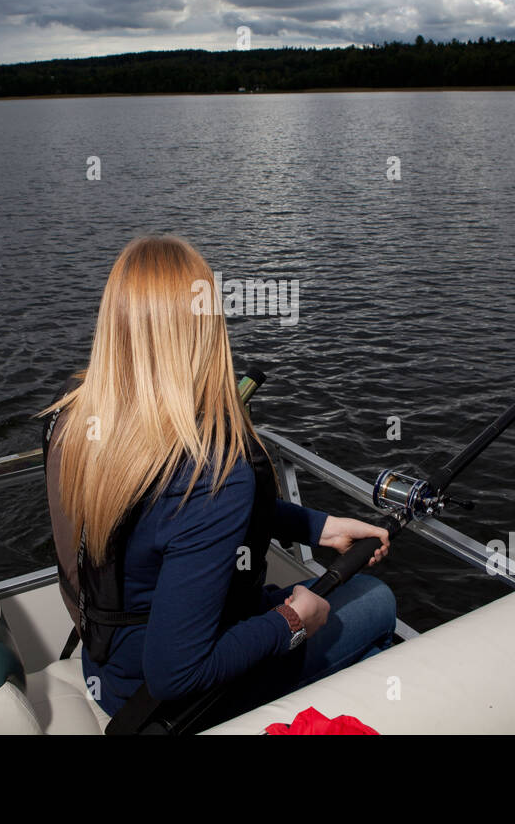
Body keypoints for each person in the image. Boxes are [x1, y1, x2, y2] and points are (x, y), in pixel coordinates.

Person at [41, 234, 396, 729]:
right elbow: (177, 673)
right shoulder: (214, 476)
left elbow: (157, 523)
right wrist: (294, 623)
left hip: (106, 663)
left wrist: (318, 526)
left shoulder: (74, 411)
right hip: (165, 699)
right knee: (378, 602)